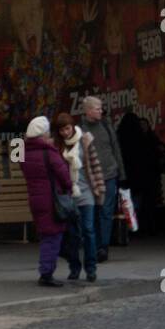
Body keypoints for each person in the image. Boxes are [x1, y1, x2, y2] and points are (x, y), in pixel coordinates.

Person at [18, 116, 73, 287]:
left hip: (35, 198)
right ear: (44, 135)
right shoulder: (49, 152)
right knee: (52, 236)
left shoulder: (22, 150)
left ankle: (48, 268)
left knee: (46, 234)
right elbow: (65, 177)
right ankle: (46, 273)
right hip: (50, 198)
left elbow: (18, 162)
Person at [55, 111, 105, 282]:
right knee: (72, 235)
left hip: (86, 194)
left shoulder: (85, 141)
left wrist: (99, 188)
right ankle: (74, 267)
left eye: (67, 128)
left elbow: (95, 165)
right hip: (68, 197)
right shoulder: (58, 146)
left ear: (72, 126)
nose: (65, 133)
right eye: (62, 130)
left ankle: (91, 269)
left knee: (89, 231)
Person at [80, 95, 125, 263]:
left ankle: (103, 247)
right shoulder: (80, 129)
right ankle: (93, 244)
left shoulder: (106, 125)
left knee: (106, 212)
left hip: (109, 174)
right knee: (92, 211)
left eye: (101, 108)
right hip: (89, 177)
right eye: (97, 108)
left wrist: (122, 173)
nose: (101, 111)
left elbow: (115, 149)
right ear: (88, 111)